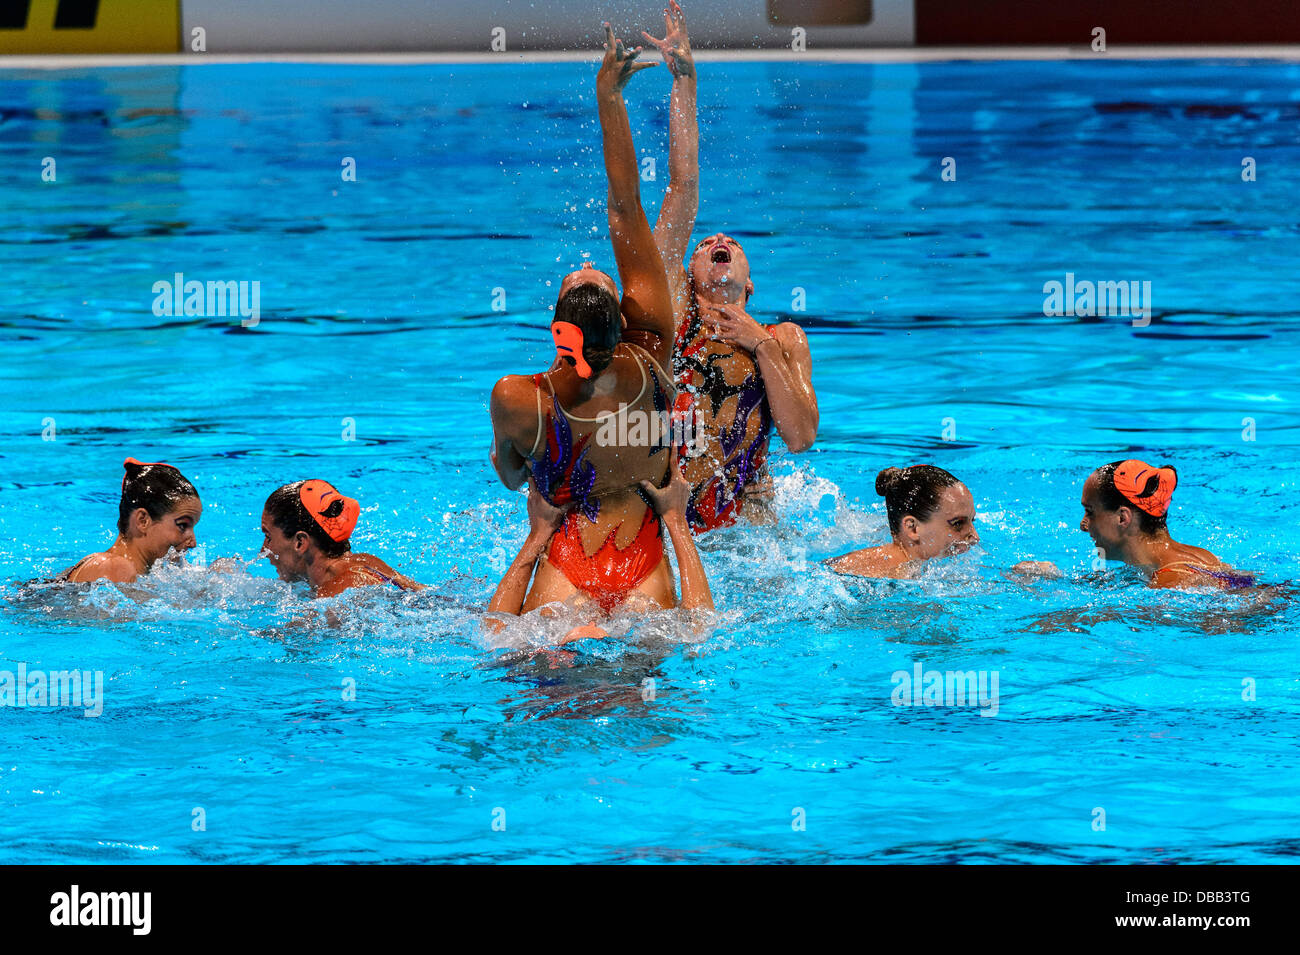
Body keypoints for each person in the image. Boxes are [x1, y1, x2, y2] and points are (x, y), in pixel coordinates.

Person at [489, 23, 692, 613]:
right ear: (622, 315)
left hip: (567, 550)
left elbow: (507, 476)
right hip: (644, 550)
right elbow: (625, 204)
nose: (586, 261)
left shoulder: (521, 397)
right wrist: (613, 97)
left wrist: (603, 89)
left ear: (558, 328)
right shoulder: (652, 345)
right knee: (640, 685)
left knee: (550, 677)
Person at [642, 1, 819, 532]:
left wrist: (758, 342)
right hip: (669, 517)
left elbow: (801, 437)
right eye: (704, 244)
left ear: (750, 282)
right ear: (687, 275)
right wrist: (685, 83)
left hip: (751, 530)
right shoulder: (673, 317)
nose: (718, 238)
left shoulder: (784, 338)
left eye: (732, 243)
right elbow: (682, 188)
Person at [487, 446, 714, 642]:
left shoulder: (540, 642)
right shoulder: (647, 643)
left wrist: (537, 536)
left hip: (563, 582)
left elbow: (493, 632)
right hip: (641, 581)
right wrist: (677, 521)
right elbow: (701, 627)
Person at [1077, 459, 1254, 589]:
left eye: (1090, 512)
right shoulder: (1201, 557)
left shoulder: (1169, 582)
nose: (1083, 525)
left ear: (1123, 518)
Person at [260, 480, 423, 597]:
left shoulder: (336, 592)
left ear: (300, 542)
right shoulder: (366, 562)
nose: (264, 550)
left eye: (268, 537)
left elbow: (292, 638)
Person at [58, 458, 202, 583]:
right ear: (142, 520)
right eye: (182, 525)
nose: (193, 543)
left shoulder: (139, 575)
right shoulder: (113, 567)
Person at [826, 465, 978, 579]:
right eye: (957, 523)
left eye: (972, 521)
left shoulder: (921, 568)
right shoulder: (883, 577)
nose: (975, 537)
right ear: (912, 528)